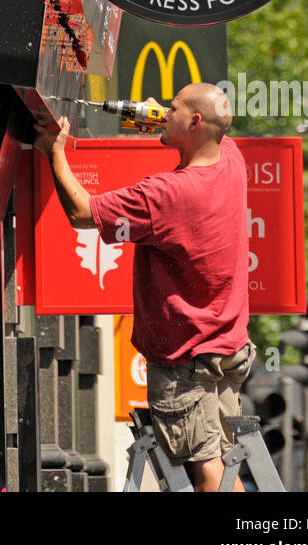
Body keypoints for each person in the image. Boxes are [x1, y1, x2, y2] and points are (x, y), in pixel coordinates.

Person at [33, 82, 254, 493]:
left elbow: (83, 212)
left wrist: (55, 151)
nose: (161, 111)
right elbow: (214, 130)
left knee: (206, 471)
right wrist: (162, 127)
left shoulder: (167, 195)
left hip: (186, 356)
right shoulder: (232, 158)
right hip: (228, 347)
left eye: (171, 108)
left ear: (195, 121)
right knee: (224, 465)